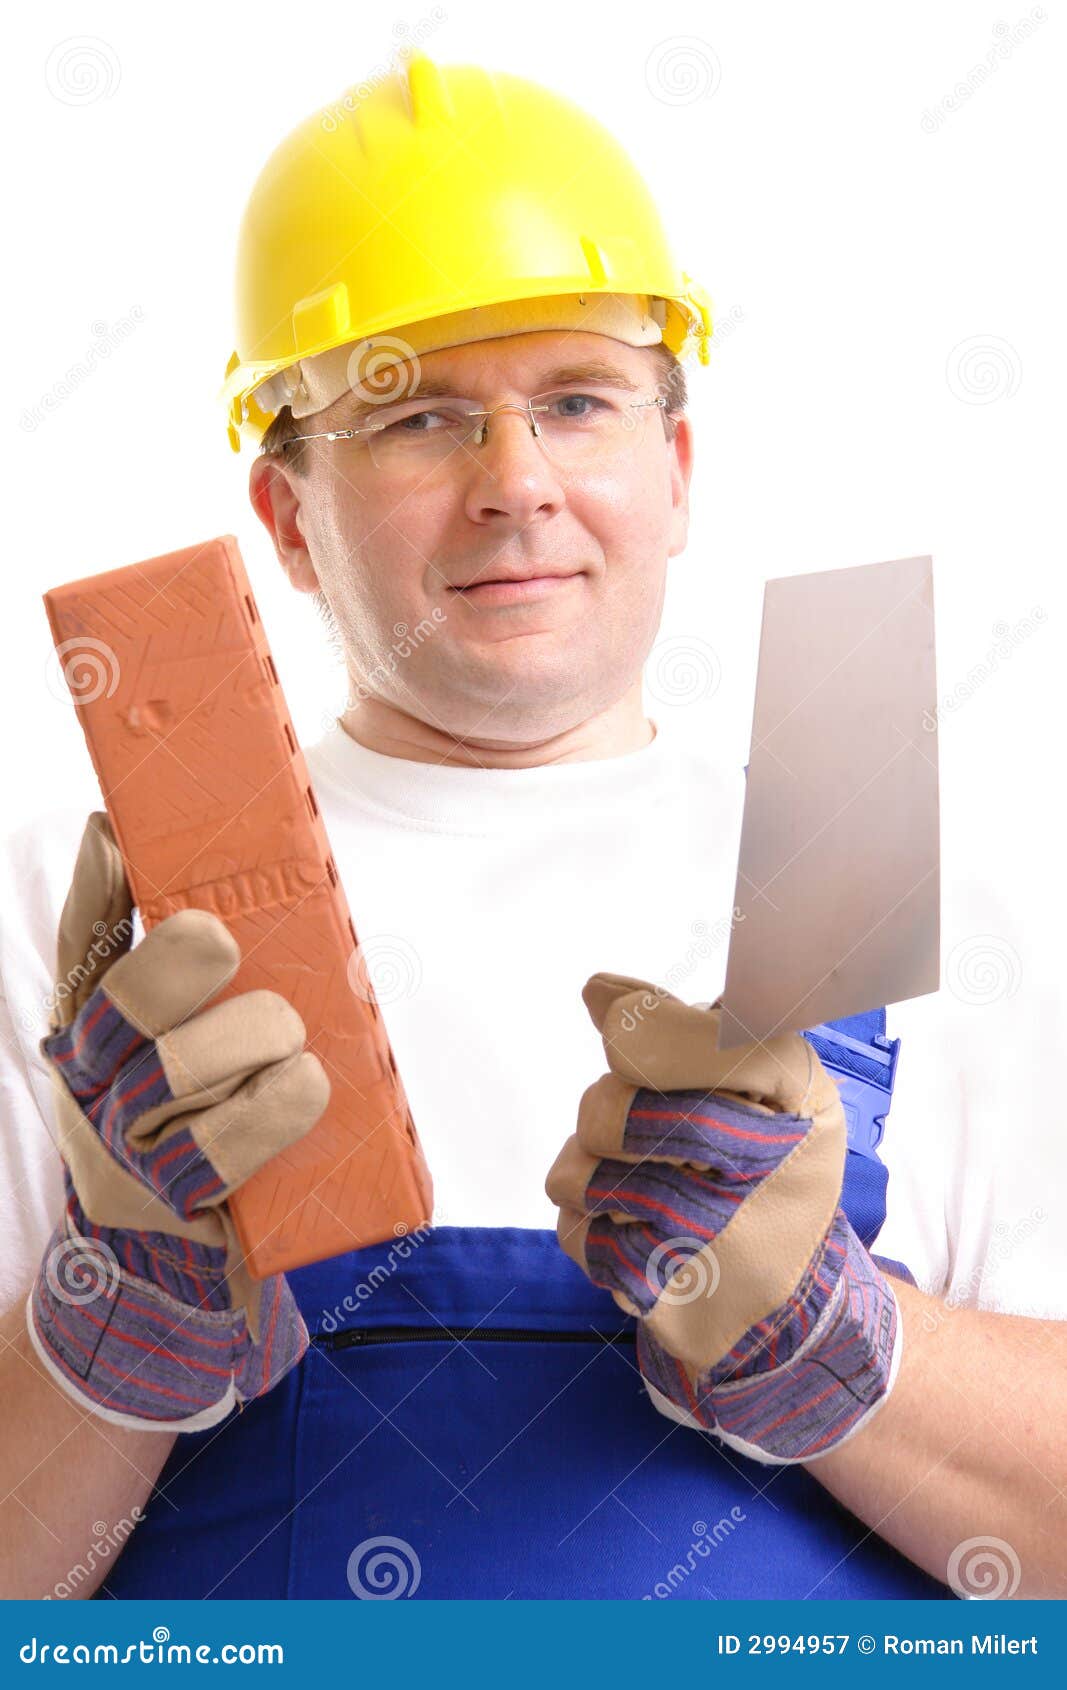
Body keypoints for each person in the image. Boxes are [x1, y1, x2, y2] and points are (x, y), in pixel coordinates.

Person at [1, 50, 1063, 1603]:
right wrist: (114, 1334)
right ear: (289, 516)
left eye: (577, 402)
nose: (517, 485)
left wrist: (850, 1354)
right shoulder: (103, 922)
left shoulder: (894, 870)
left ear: (677, 464)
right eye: (418, 417)